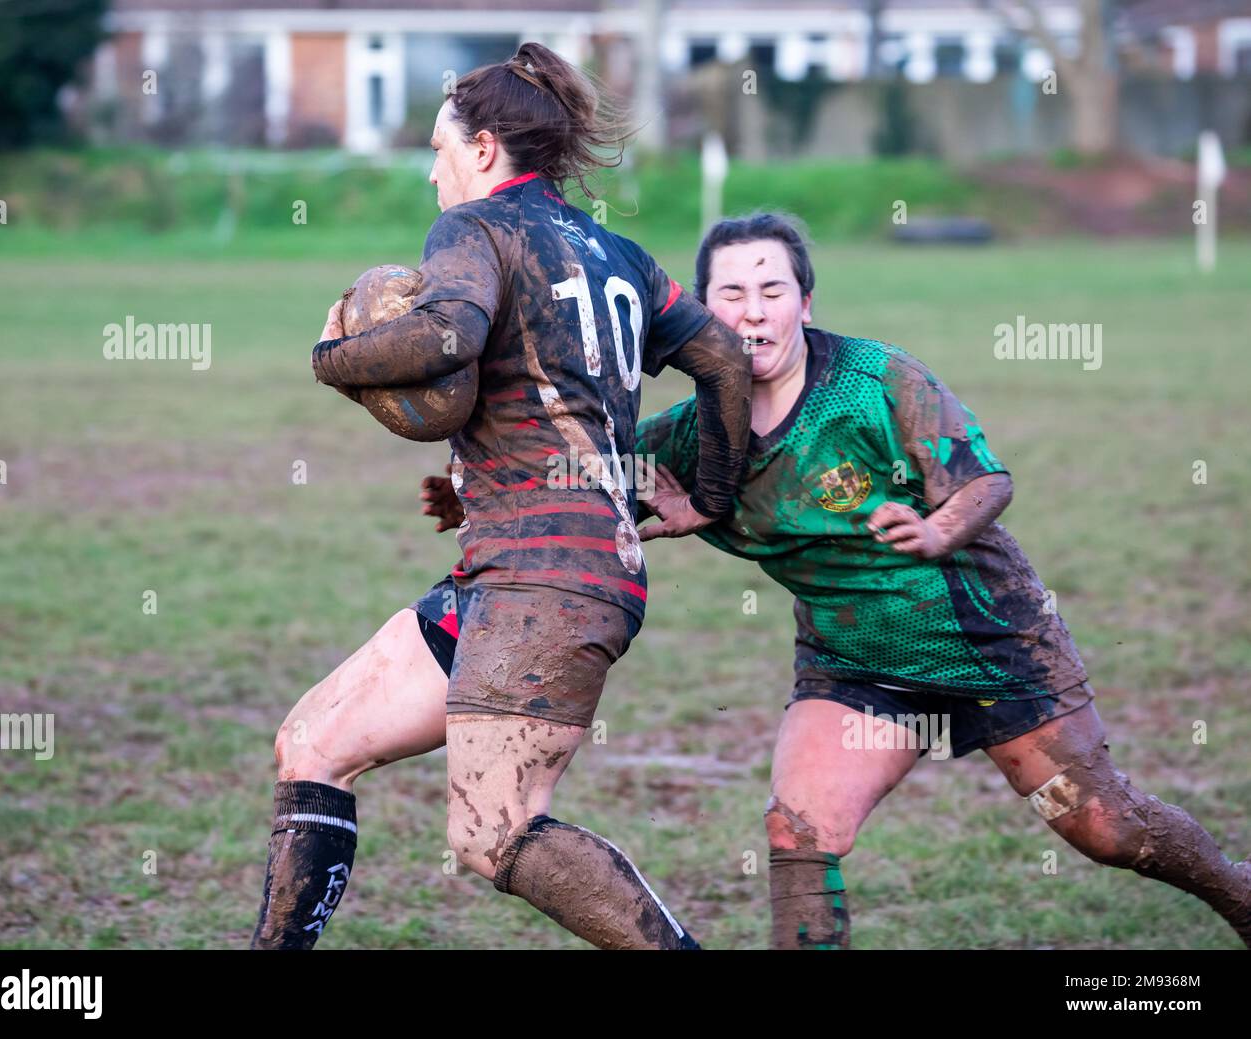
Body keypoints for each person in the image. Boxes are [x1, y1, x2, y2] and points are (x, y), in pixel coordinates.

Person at [425, 211, 1251, 950]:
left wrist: (937, 528)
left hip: (992, 645)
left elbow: (986, 482)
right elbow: (586, 479)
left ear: (804, 303)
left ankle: (1238, 893)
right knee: (798, 829)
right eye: (731, 293)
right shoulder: (690, 434)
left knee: (1104, 828)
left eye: (772, 289)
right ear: (700, 317)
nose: (753, 310)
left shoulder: (874, 383)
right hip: (857, 667)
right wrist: (472, 490)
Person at [249, 42, 751, 951]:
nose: (433, 168)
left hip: (545, 590)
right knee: (313, 743)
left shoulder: (474, 230)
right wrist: (710, 494)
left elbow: (447, 336)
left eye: (440, 148)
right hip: (509, 575)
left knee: (495, 831)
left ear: (483, 149)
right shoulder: (619, 252)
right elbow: (722, 359)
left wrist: (331, 362)